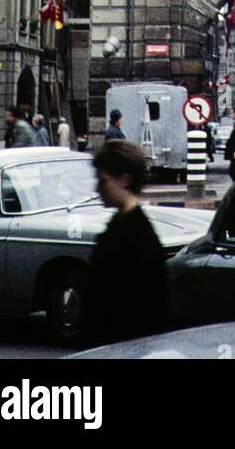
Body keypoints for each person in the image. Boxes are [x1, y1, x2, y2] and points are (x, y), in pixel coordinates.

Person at [85, 141, 169, 347]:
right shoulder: (123, 223)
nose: (97, 188)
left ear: (124, 180)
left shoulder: (139, 237)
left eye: (103, 181)